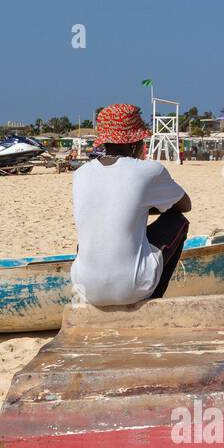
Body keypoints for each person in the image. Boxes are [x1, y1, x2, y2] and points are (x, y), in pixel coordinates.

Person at [71, 104, 191, 307]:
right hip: (132, 288)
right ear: (134, 143)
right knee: (177, 221)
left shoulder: (81, 173)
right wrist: (144, 206)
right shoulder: (149, 171)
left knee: (92, 232)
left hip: (84, 287)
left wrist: (136, 207)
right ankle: (152, 301)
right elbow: (184, 205)